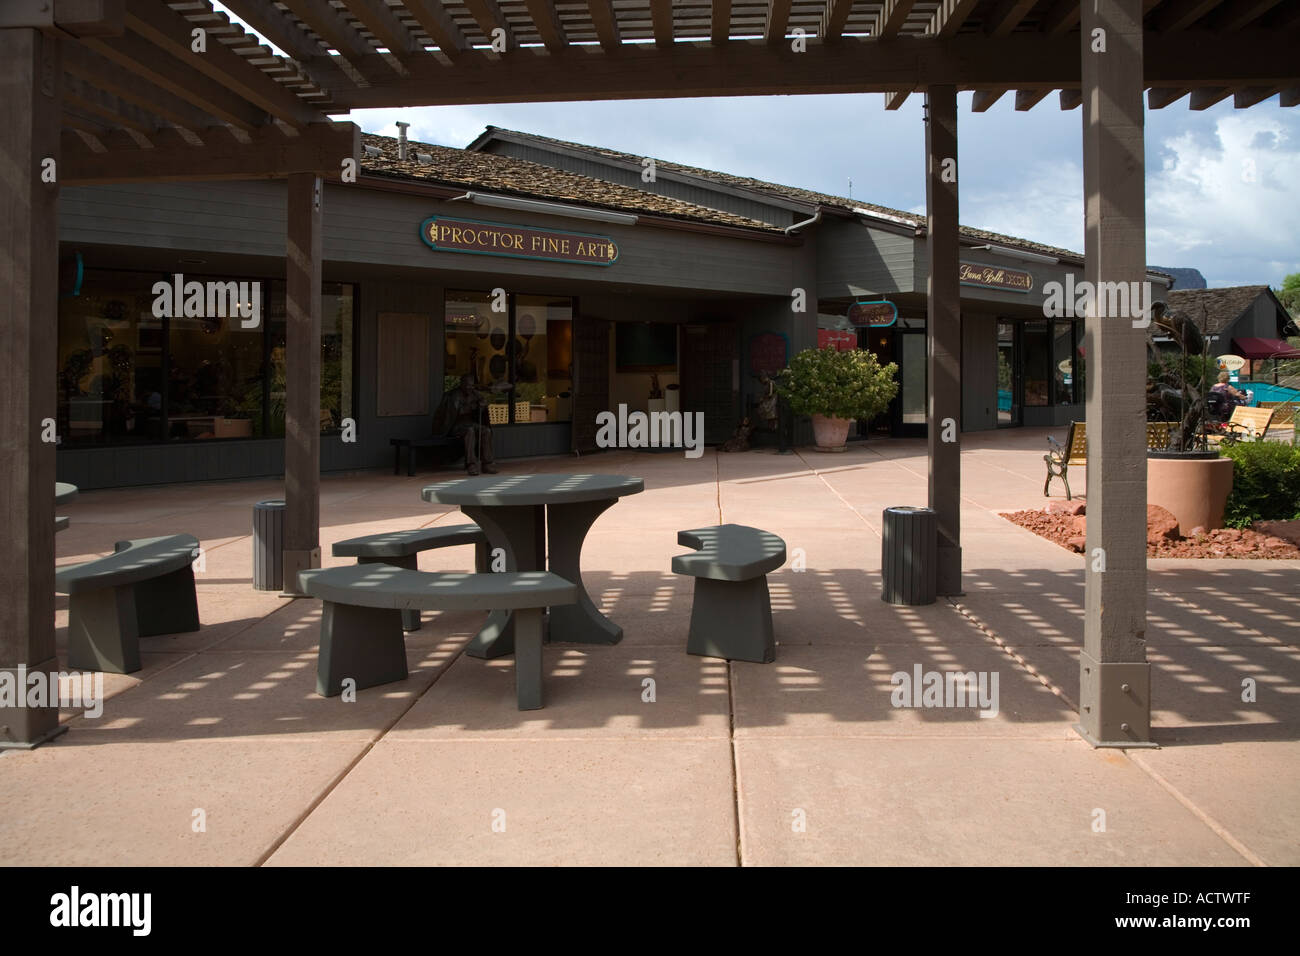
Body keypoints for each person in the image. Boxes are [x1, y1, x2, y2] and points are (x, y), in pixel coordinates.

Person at [433, 370, 498, 476]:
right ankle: (471, 464)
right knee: (470, 431)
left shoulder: (475, 394)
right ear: (462, 384)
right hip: (455, 425)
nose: (470, 388)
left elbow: (482, 405)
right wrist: (470, 407)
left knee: (486, 431)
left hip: (470, 423)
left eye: (472, 385)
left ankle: (487, 463)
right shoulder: (453, 395)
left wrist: (482, 405)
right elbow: (450, 415)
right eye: (468, 385)